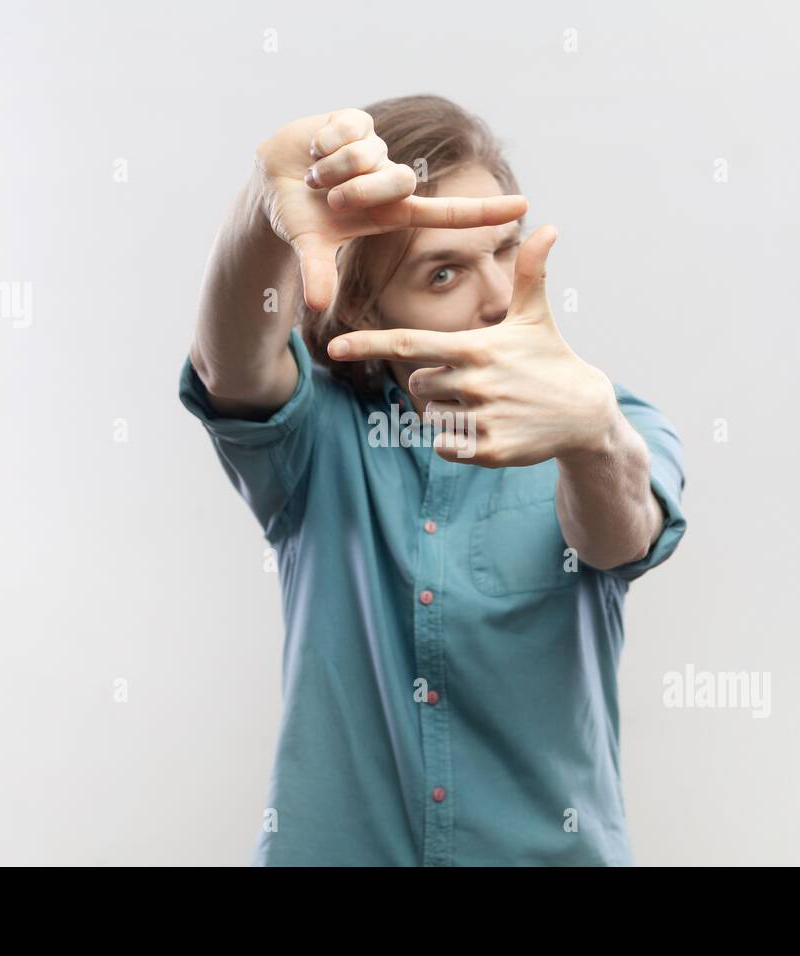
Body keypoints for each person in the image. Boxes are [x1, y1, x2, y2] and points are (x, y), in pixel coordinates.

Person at [178, 95, 688, 865]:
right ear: (363, 305)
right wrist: (264, 202)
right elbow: (231, 365)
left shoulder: (614, 424)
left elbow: (620, 536)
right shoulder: (318, 437)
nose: (494, 297)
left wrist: (593, 437)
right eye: (444, 271)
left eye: (503, 251)